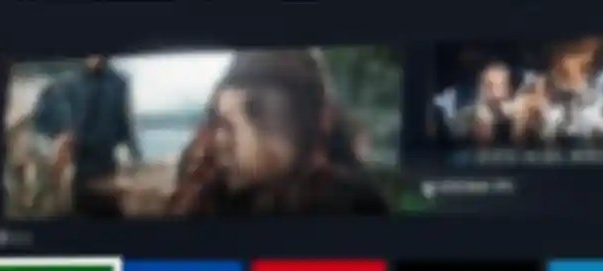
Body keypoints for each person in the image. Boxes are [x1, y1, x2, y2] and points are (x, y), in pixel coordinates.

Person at [172, 48, 389, 216]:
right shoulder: (212, 188)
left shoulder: (349, 203)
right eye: (219, 122)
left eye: (253, 113)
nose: (221, 141)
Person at [36, 55, 143, 218]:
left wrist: (134, 153)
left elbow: (124, 120)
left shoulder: (119, 82)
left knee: (109, 210)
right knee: (81, 210)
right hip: (78, 163)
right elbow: (43, 118)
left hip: (107, 161)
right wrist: (60, 135)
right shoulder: (67, 83)